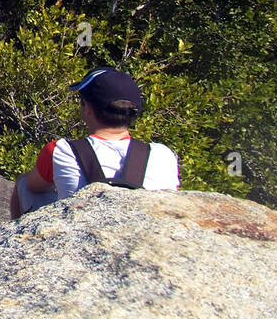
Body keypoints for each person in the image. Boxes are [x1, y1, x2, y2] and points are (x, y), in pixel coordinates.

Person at [9, 67, 179, 219]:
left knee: (24, 182)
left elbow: (33, 186)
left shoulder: (61, 150)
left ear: (88, 108)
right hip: (146, 239)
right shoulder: (163, 154)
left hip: (82, 238)